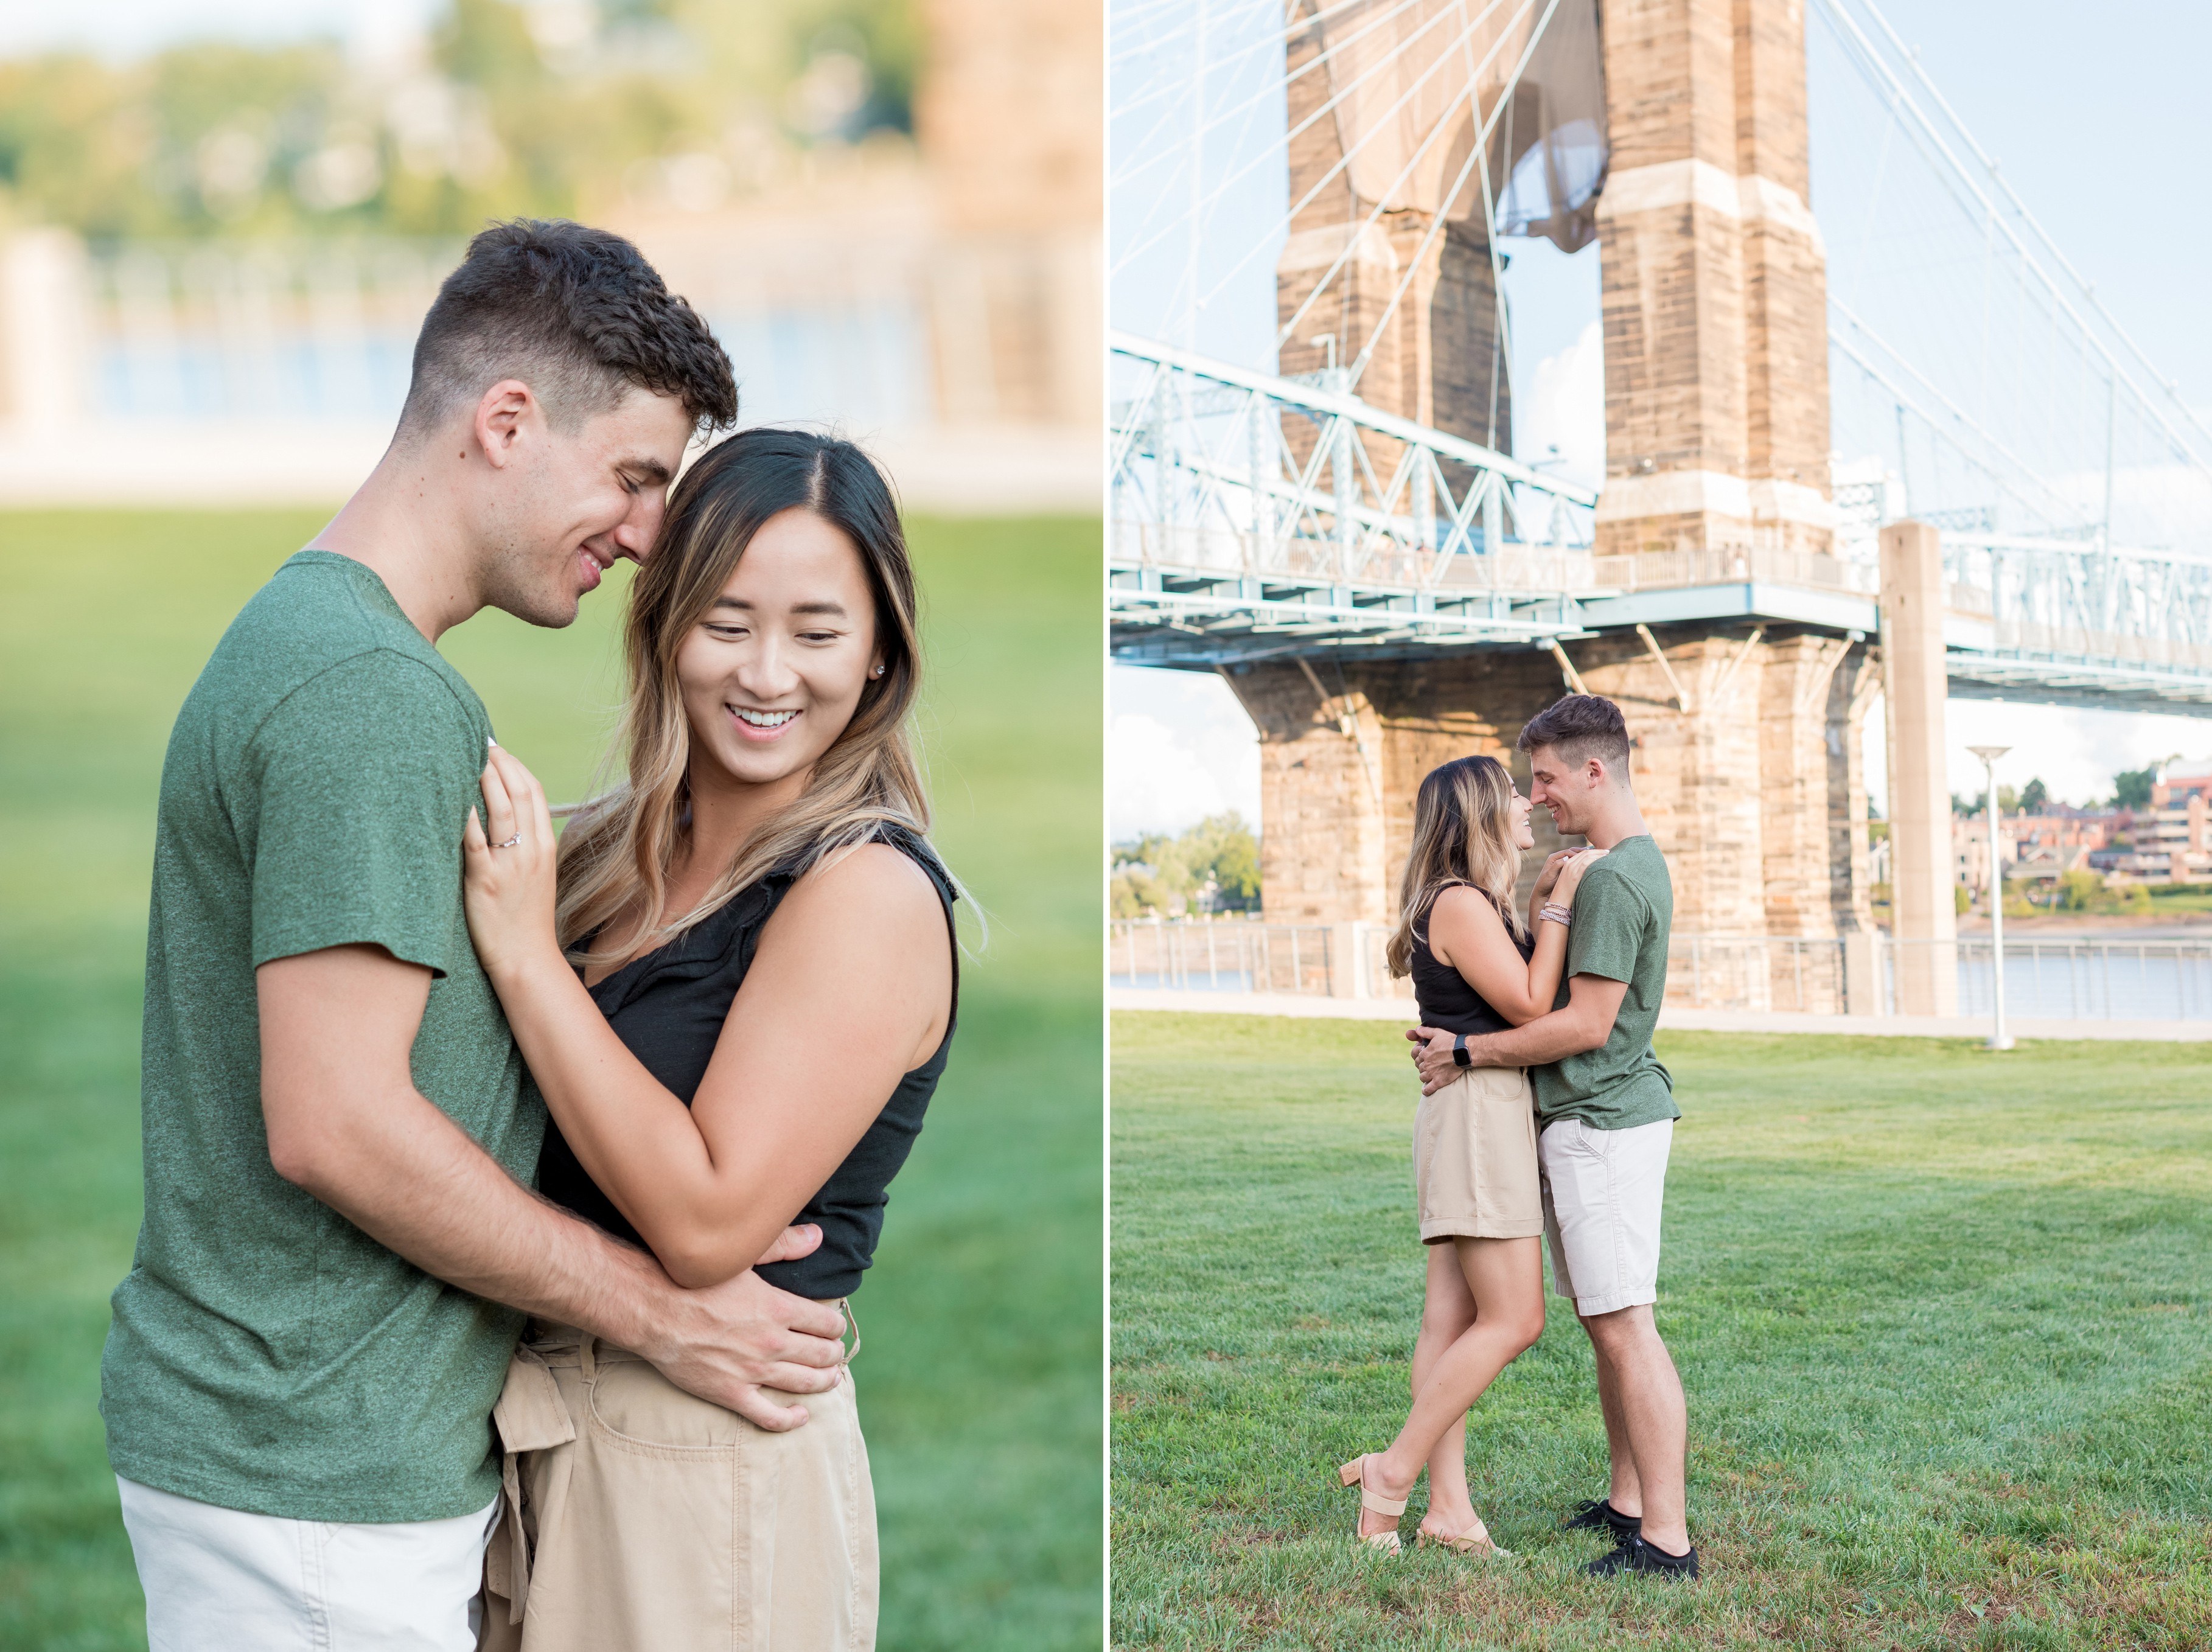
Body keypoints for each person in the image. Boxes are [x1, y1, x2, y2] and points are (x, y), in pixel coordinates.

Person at [100, 220, 851, 1651]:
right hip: (315, 1479)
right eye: (634, 476)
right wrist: (660, 1311)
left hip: (296, 1460)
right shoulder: (373, 693)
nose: (645, 537)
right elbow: (337, 1123)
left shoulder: (319, 641)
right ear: (508, 420)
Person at [458, 427, 957, 1650]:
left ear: (882, 648)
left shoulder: (866, 893)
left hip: (701, 1467)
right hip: (530, 1432)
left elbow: (706, 1219)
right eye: (728, 620)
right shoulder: (603, 859)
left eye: (818, 629)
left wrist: (526, 958)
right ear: (664, 622)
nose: (768, 672)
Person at [1409, 693, 1695, 1578]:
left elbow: (1583, 1025)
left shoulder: (1609, 877)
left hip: (1603, 1123)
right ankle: (1626, 1501)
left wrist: (1466, 1048)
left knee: (1624, 1327)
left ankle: (1667, 1543)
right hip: (1589, 1122)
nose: (1536, 799)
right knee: (1605, 1322)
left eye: (1544, 778)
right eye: (1526, 784)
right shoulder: (1618, 865)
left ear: (1594, 770)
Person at [1337, 755, 1602, 1556]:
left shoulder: (1471, 902)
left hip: (1471, 1110)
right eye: (1514, 796)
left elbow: (1513, 999)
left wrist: (1531, 905)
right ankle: (1394, 1473)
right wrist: (1555, 908)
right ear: (1482, 813)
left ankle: (1448, 1509)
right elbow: (1531, 1001)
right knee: (1516, 1318)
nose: (1529, 805)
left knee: (1450, 1320)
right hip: (1479, 1117)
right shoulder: (1457, 904)